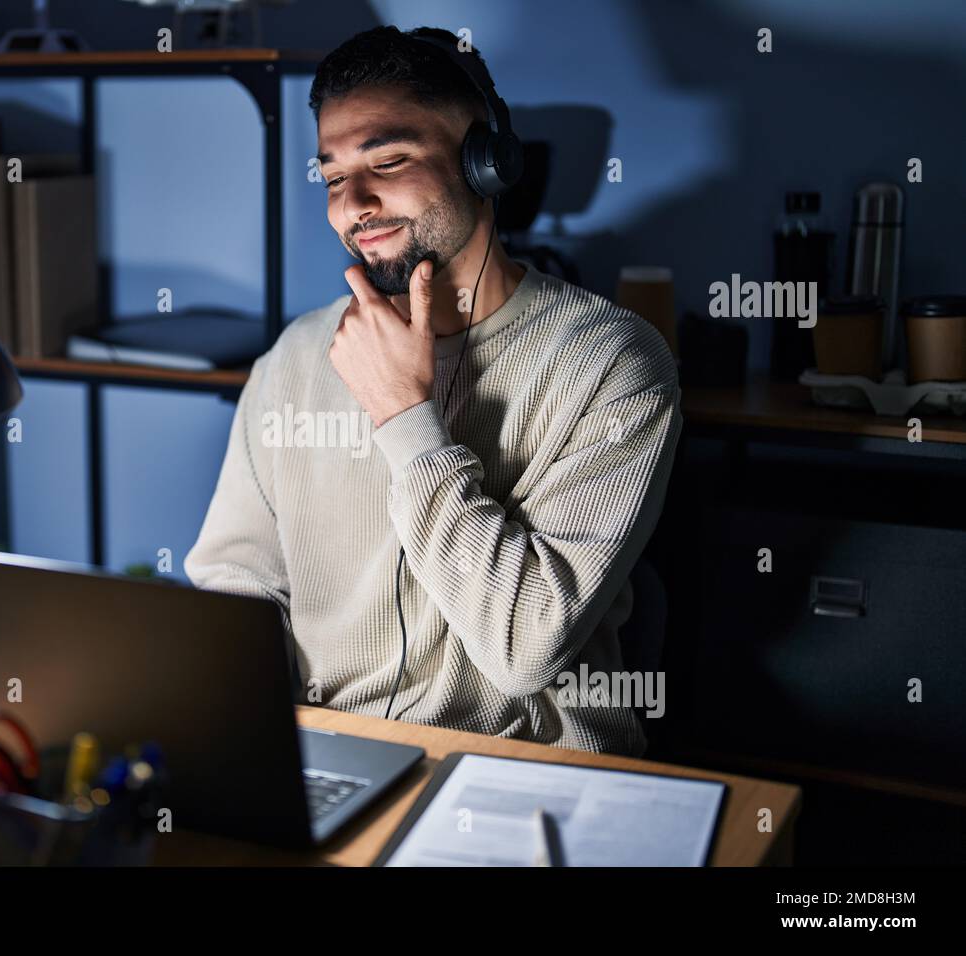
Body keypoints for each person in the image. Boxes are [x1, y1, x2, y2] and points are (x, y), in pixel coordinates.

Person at [185, 26, 680, 756]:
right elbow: (236, 581)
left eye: (390, 160)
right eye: (332, 176)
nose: (355, 203)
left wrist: (404, 417)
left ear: (485, 163)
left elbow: (524, 651)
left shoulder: (612, 363)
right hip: (327, 753)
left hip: (519, 767)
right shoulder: (295, 356)